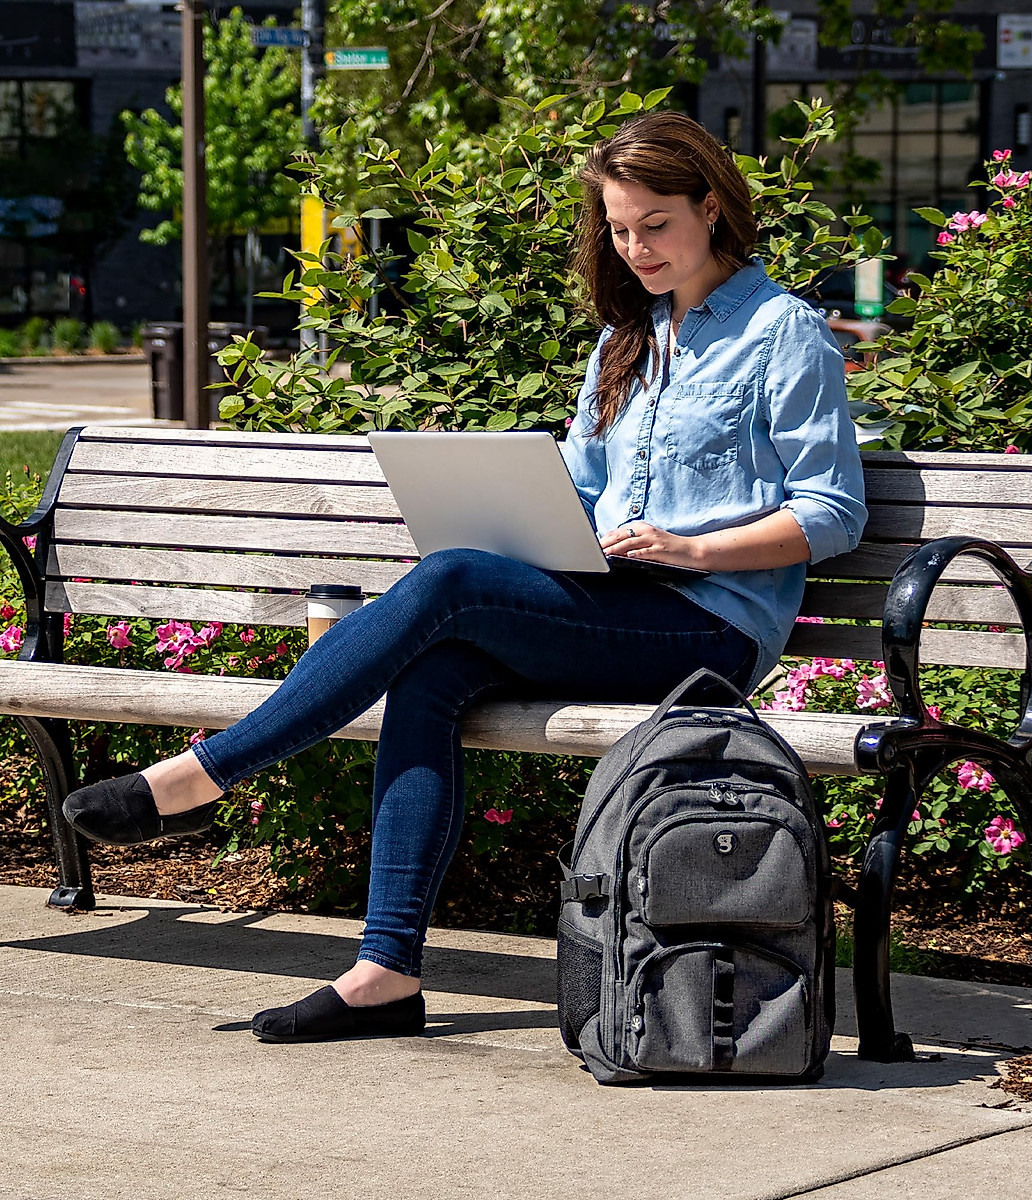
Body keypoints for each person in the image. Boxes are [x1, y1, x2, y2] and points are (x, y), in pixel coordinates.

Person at [62, 111, 867, 1044]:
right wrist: (538, 516)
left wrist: (694, 548)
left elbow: (831, 513)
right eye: (618, 227)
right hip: (610, 602)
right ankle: (385, 973)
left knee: (447, 583)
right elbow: (585, 484)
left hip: (707, 625)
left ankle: (203, 775)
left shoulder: (783, 334)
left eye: (656, 222)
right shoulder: (625, 343)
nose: (636, 247)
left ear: (713, 208)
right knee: (434, 676)